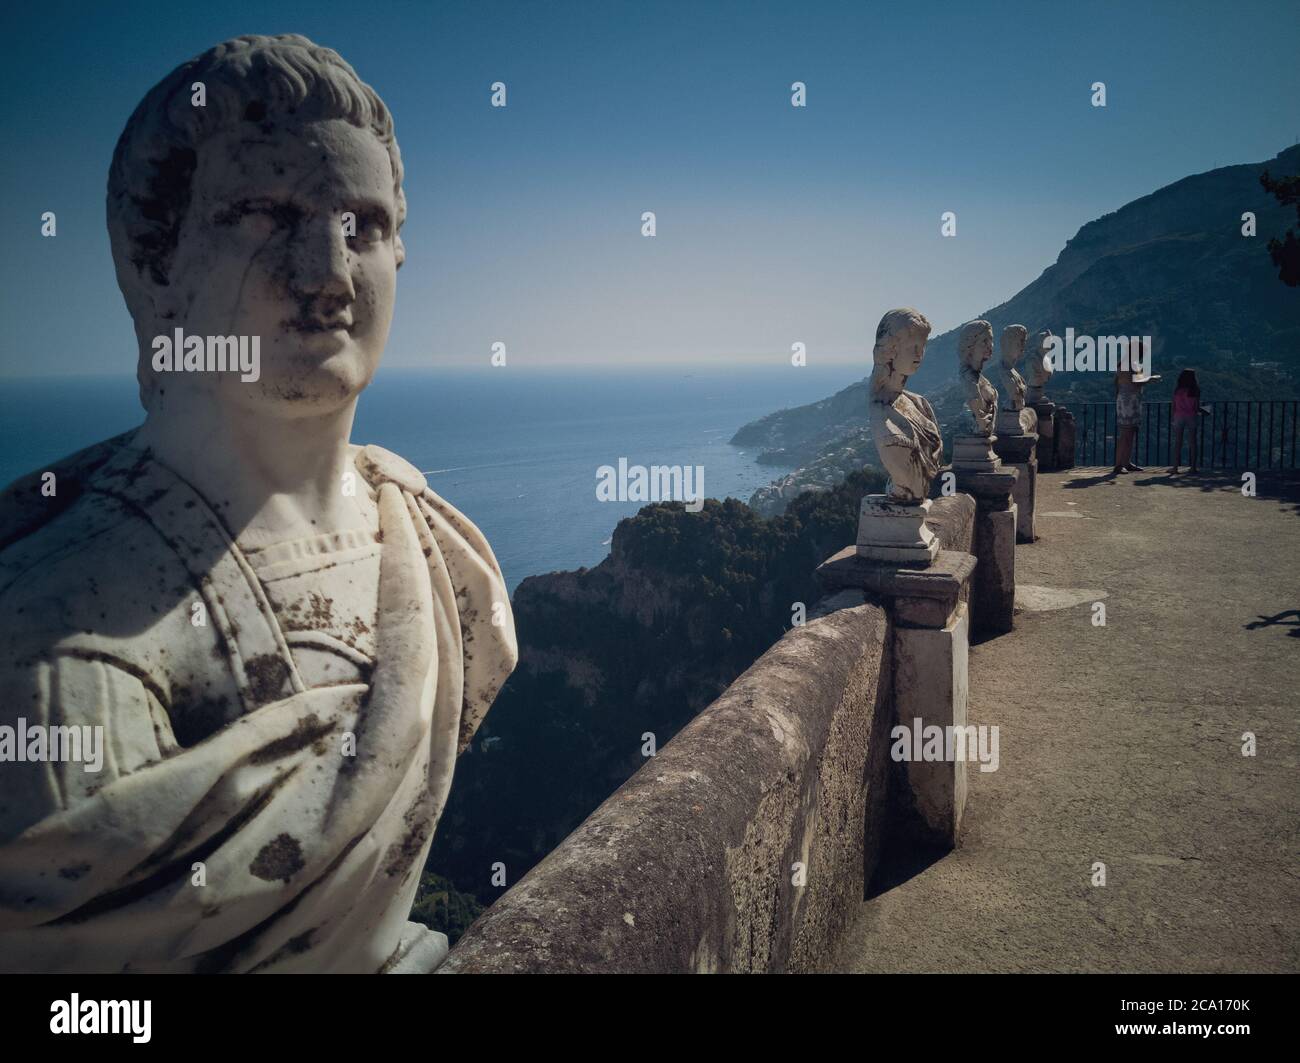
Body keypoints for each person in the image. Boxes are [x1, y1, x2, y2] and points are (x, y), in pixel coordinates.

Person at [0, 35, 518, 973]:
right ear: (154, 261)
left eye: (362, 223)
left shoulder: (438, 549)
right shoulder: (56, 642)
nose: (325, 273)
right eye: (262, 214)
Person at [1113, 367, 1148, 473]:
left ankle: (1126, 462)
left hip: (1130, 400)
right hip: (1128, 401)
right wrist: (1148, 380)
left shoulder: (1129, 365)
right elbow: (1135, 383)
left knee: (1130, 432)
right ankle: (1119, 464)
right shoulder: (1127, 366)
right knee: (1125, 433)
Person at [1169, 368, 1202, 474]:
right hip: (1191, 416)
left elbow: (1173, 406)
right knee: (1193, 442)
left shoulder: (1177, 390)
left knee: (1178, 442)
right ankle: (1193, 467)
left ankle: (1175, 467)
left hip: (1178, 416)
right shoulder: (1194, 390)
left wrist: (1172, 417)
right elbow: (1196, 407)